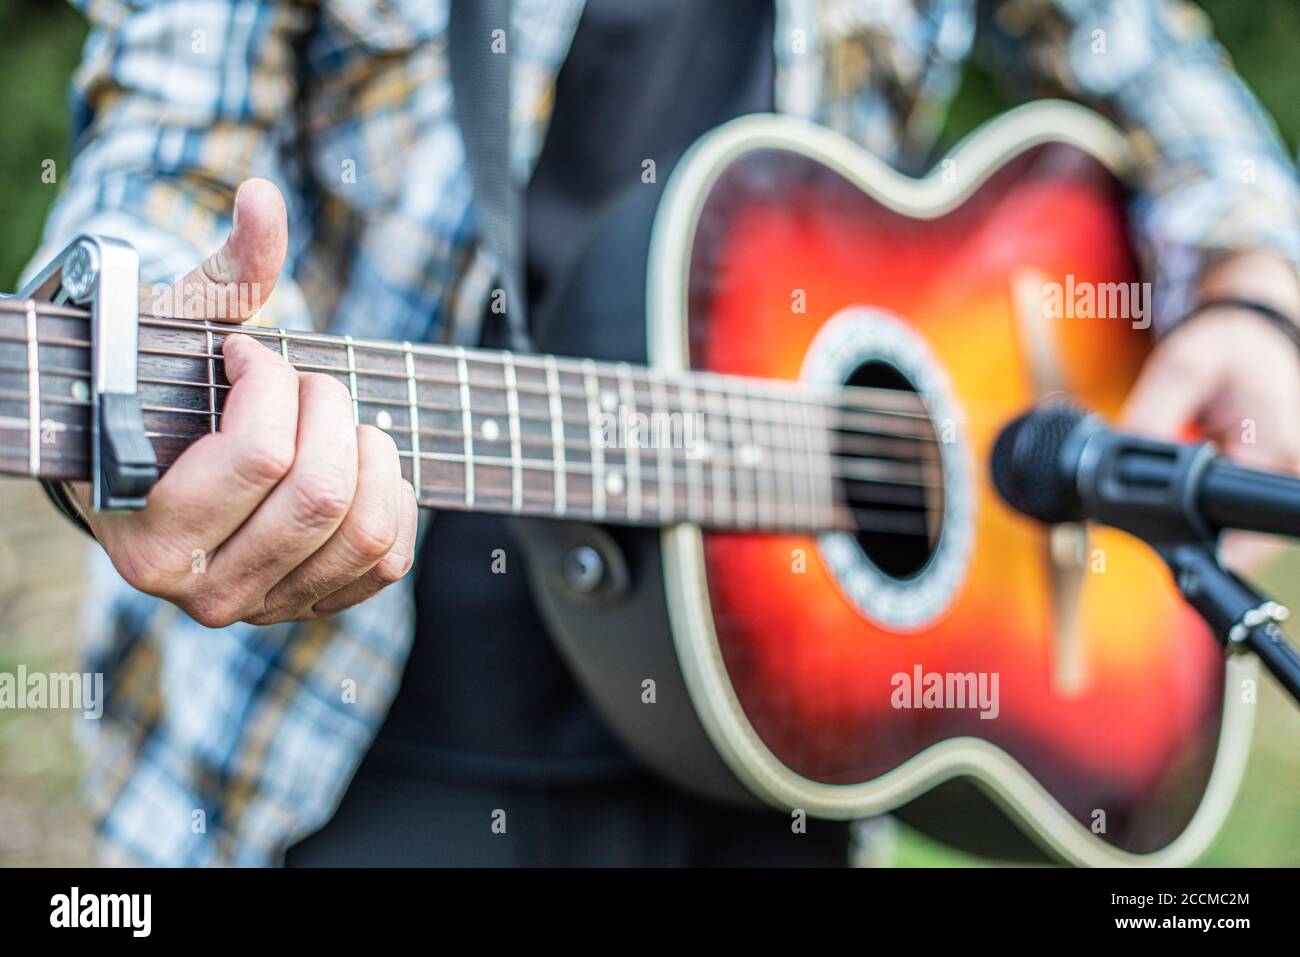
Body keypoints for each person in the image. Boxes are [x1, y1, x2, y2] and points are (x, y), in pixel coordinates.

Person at [26, 0, 1300, 866]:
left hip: (791, 741)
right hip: (341, 725)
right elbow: (163, 150)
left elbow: (1142, 55)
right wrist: (144, 348)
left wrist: (1258, 284)